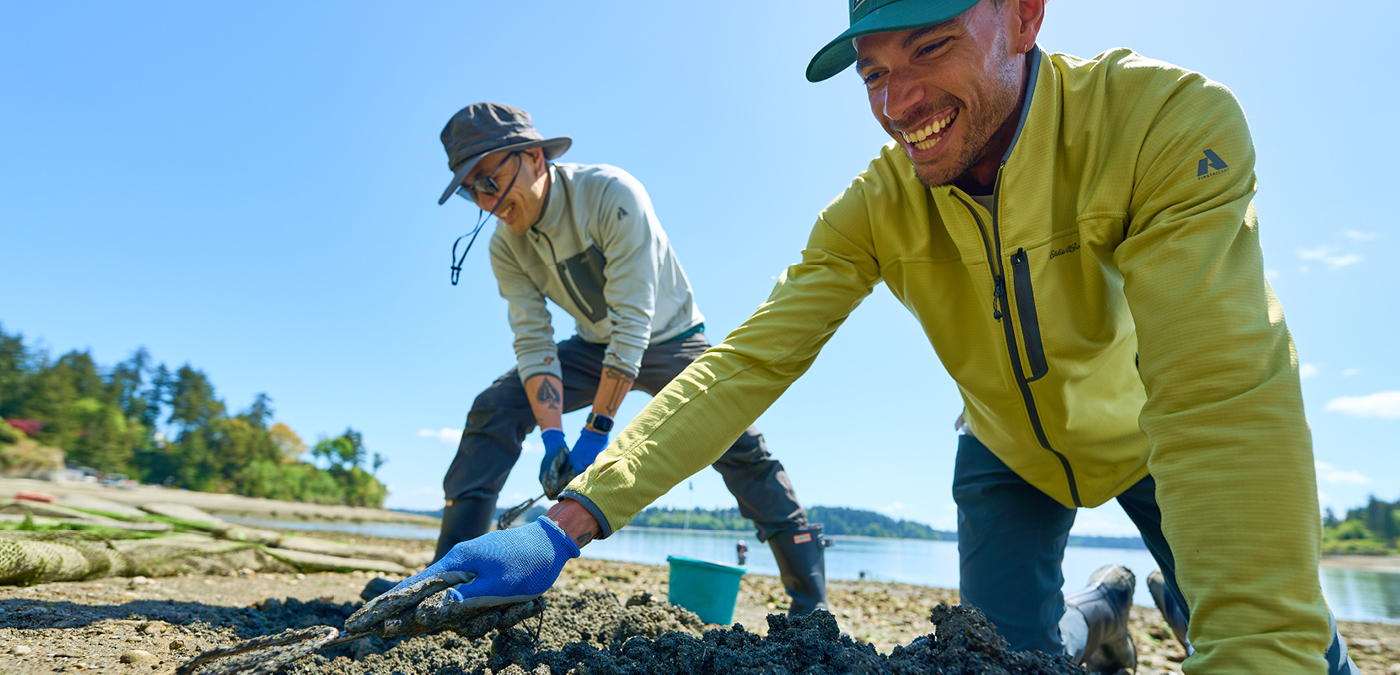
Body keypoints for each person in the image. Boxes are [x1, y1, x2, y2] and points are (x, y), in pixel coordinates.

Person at [380, 3, 1358, 672]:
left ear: (1021, 13)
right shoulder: (874, 208)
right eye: (873, 72)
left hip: (1158, 439)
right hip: (1003, 458)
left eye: (930, 46)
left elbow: (1218, 404)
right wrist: (564, 520)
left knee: (1275, 638)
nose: (897, 104)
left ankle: (1173, 602)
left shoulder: (1159, 124)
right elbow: (745, 368)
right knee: (1005, 662)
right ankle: (1101, 618)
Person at [419, 102, 827, 616]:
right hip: (593, 347)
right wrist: (551, 437)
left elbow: (633, 325)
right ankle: (447, 578)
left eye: (489, 179)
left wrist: (594, 434)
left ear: (535, 159)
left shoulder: (611, 194)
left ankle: (810, 603)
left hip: (669, 335)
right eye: (470, 190)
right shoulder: (506, 248)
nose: (485, 201)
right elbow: (534, 343)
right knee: (495, 407)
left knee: (738, 444)